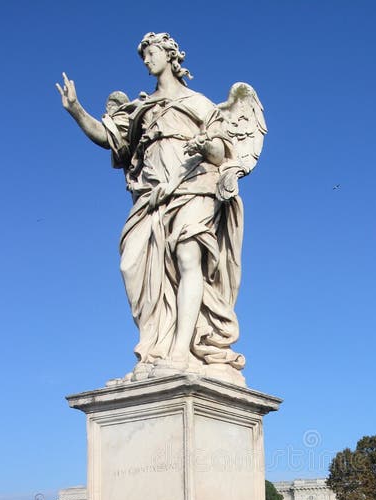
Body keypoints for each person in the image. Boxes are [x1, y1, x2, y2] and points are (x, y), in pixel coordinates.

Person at [56, 32, 263, 380]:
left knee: (188, 258)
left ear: (170, 56)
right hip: (150, 198)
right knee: (132, 264)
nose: (148, 61)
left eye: (152, 53)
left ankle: (181, 352)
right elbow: (110, 139)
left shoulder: (199, 104)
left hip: (194, 187)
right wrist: (77, 111)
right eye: (145, 56)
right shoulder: (141, 109)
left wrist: (204, 147)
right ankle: (156, 348)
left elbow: (222, 152)